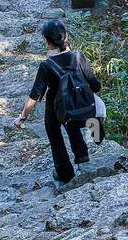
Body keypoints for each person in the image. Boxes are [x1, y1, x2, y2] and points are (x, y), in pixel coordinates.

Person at [13, 20, 102, 185]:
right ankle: (84, 162)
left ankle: (64, 172)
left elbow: (34, 96)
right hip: (79, 107)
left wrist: (22, 118)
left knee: (54, 133)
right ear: (66, 36)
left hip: (57, 108)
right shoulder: (79, 56)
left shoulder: (46, 66)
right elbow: (95, 84)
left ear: (48, 43)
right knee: (73, 125)